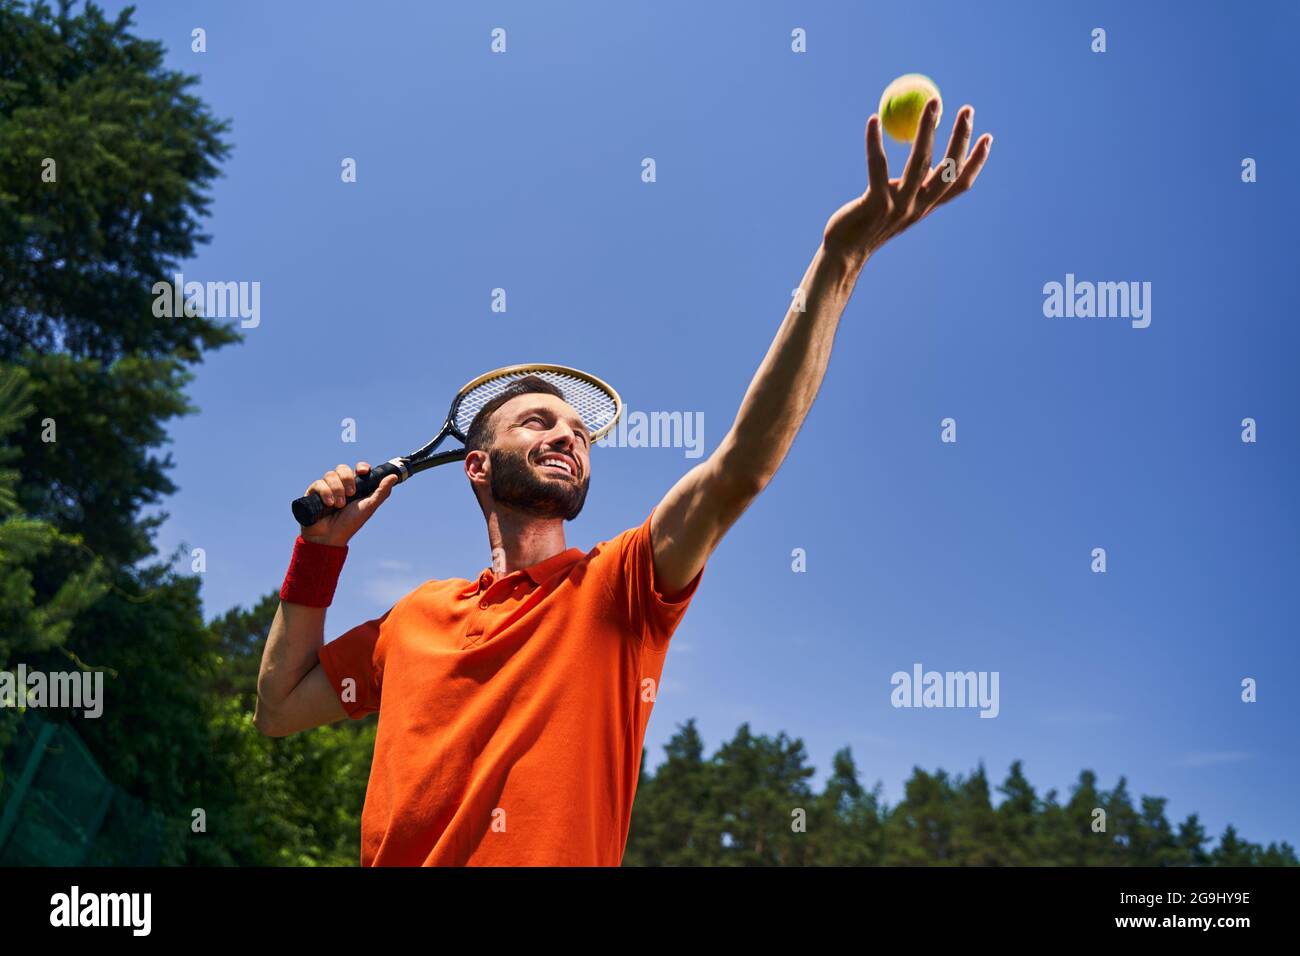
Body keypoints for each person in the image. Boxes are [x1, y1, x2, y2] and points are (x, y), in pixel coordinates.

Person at [253, 99, 991, 865]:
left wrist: (838, 262)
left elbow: (740, 466)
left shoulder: (620, 589)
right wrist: (320, 551)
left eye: (577, 429)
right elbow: (276, 708)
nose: (568, 432)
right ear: (477, 464)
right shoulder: (413, 621)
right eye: (538, 422)